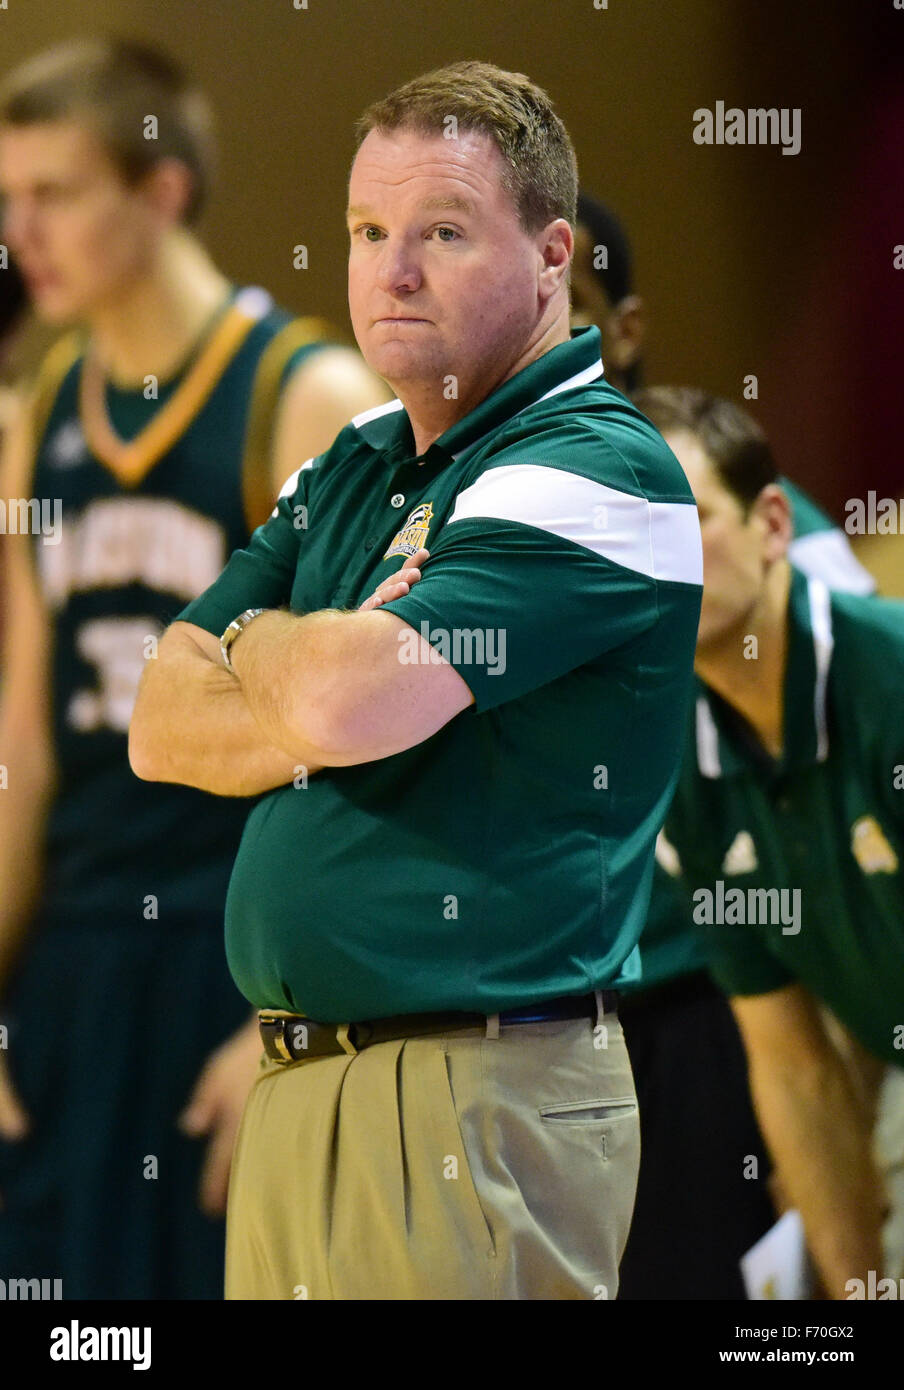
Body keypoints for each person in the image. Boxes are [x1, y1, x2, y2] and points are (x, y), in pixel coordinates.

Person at [129, 59, 704, 1300]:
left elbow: (343, 699)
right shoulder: (354, 457)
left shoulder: (598, 468)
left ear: (553, 256)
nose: (390, 272)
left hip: (471, 1093)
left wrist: (271, 658)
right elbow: (157, 719)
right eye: (366, 231)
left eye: (441, 233)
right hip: (303, 1088)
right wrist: (324, 664)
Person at [0, 37, 388, 1300]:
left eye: (51, 195)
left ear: (160, 189)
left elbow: (374, 743)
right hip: (74, 957)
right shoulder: (39, 411)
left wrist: (284, 1011)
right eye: (7, 201)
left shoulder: (304, 392)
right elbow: (22, 737)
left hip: (232, 957)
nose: (20, 232)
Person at [636, 385, 904, 1300]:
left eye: (690, 518)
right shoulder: (675, 766)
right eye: (630, 538)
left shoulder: (894, 683)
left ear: (774, 524)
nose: (659, 561)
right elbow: (792, 1066)